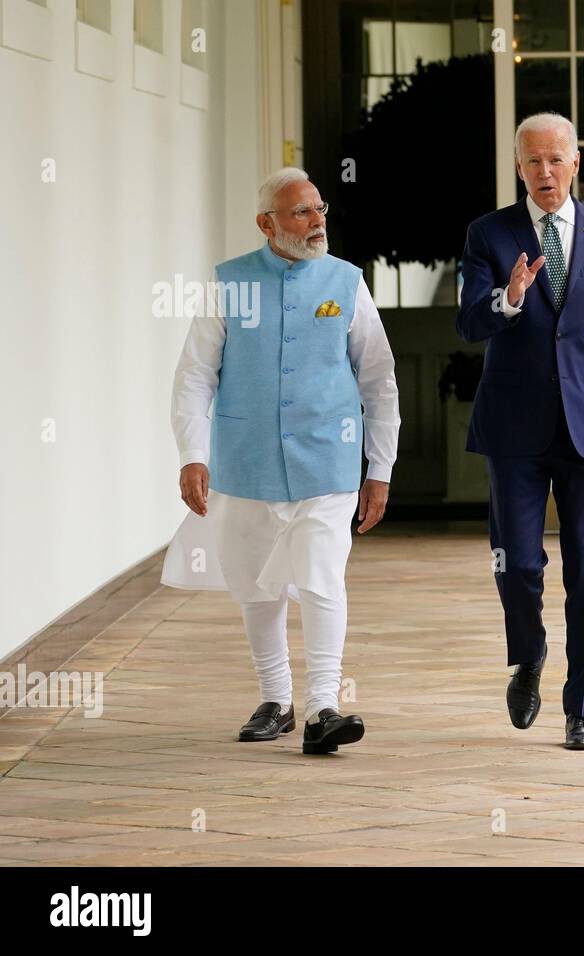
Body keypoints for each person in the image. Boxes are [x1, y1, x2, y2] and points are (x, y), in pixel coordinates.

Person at [164, 167, 400, 755]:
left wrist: (380, 468)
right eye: (302, 213)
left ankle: (324, 706)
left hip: (328, 462)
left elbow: (379, 380)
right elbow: (194, 376)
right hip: (245, 465)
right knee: (255, 587)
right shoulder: (229, 284)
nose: (317, 222)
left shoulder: (347, 282)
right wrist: (193, 454)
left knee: (323, 580)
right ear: (267, 223)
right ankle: (276, 699)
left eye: (320, 209)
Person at [455, 112, 584, 750]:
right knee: (516, 560)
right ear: (519, 167)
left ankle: (581, 707)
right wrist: (509, 298)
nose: (544, 172)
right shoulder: (489, 234)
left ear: (576, 163)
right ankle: (531, 653)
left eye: (555, 159)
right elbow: (467, 323)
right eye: (532, 161)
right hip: (514, 423)